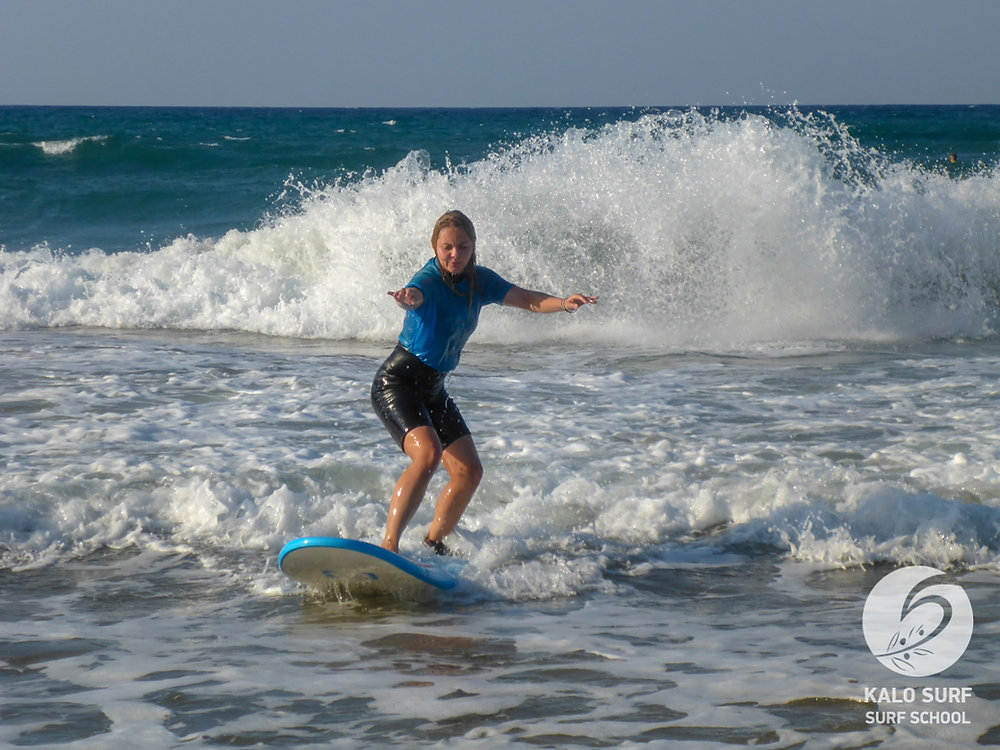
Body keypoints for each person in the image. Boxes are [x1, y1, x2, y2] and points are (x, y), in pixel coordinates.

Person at [371, 210, 598, 554]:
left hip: (434, 390)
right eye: (447, 247)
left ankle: (434, 543)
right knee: (428, 456)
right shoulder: (428, 280)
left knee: (469, 473)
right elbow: (415, 294)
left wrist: (565, 303)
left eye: (462, 247)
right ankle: (389, 547)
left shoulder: (480, 281)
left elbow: (527, 299)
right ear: (435, 247)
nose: (454, 255)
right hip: (397, 384)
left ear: (473, 247)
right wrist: (409, 299)